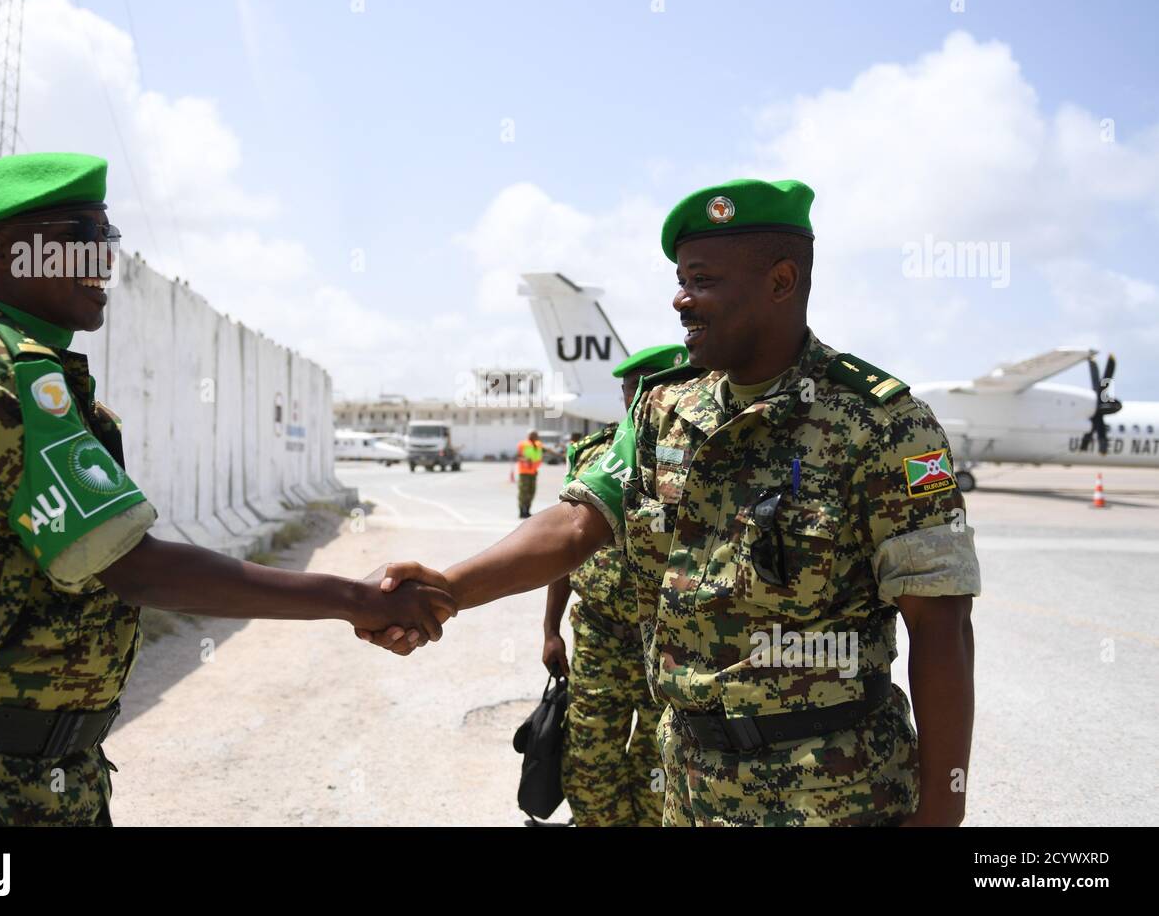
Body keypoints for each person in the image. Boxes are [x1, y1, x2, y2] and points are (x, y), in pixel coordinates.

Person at [361, 178, 980, 827]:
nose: (681, 300)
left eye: (702, 280)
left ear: (781, 281)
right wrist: (448, 589)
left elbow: (941, 627)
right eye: (682, 279)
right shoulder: (664, 411)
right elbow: (576, 523)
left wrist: (942, 809)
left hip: (829, 794)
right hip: (688, 786)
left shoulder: (884, 428)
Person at [0, 152, 454, 826]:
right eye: (83, 239)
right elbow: (136, 568)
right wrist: (354, 599)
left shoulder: (22, 369)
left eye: (109, 241)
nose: (105, 261)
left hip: (22, 774)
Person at [544, 344, 686, 827]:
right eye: (633, 390)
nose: (643, 401)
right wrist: (550, 629)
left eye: (654, 390)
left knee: (659, 766)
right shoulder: (593, 456)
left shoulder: (700, 460)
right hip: (600, 637)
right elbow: (563, 550)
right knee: (588, 760)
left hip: (666, 645)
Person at [515, 430, 544, 518]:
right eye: (535, 435)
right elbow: (518, 456)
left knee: (532, 492)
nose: (537, 436)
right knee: (523, 492)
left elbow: (540, 453)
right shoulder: (522, 444)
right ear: (530, 436)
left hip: (534, 472)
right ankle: (521, 511)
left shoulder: (538, 444)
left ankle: (527, 510)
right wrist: (526, 460)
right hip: (524, 472)